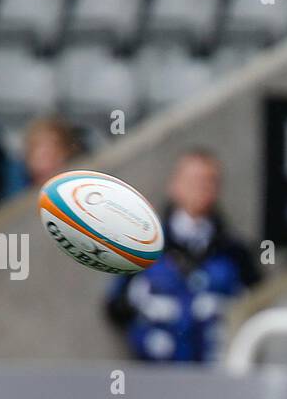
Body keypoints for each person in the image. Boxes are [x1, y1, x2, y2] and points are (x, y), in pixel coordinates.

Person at [106, 148, 259, 363]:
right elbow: (116, 305)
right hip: (155, 369)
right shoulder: (144, 245)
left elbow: (257, 299)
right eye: (193, 181)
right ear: (174, 185)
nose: (201, 188)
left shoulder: (234, 250)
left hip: (214, 367)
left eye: (209, 181)